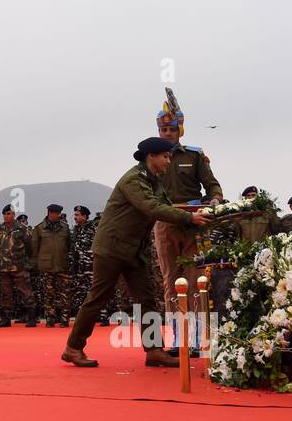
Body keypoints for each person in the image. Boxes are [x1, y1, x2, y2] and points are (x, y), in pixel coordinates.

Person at [62, 138, 213, 369]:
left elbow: (168, 205)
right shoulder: (134, 179)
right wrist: (189, 218)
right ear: (151, 156)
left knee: (146, 299)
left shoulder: (155, 180)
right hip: (112, 247)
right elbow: (151, 208)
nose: (168, 160)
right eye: (165, 156)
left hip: (134, 249)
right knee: (98, 298)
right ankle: (73, 348)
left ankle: (153, 351)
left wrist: (199, 211)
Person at [153, 89, 222, 355]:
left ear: (180, 130)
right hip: (165, 225)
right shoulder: (152, 160)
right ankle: (176, 338)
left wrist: (214, 200)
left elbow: (213, 186)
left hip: (194, 223)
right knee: (170, 281)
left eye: (171, 129)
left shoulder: (194, 156)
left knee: (194, 281)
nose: (167, 133)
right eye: (163, 129)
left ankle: (195, 338)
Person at [31, 204, 73, 328]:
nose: (59, 215)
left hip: (62, 265)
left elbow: (69, 246)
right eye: (57, 213)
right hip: (47, 266)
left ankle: (65, 319)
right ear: (50, 213)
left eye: (60, 213)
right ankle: (50, 318)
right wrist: (36, 265)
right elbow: (35, 249)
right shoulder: (39, 229)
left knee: (65, 294)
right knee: (49, 294)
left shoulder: (64, 228)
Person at [0, 205, 34, 327]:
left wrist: (27, 264)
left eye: (9, 213)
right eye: (5, 214)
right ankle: (6, 319)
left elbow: (30, 247)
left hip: (19, 267)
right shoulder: (0, 230)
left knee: (25, 292)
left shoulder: (22, 229)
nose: (6, 216)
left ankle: (31, 317)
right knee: (6, 294)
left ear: (14, 214)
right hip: (4, 267)